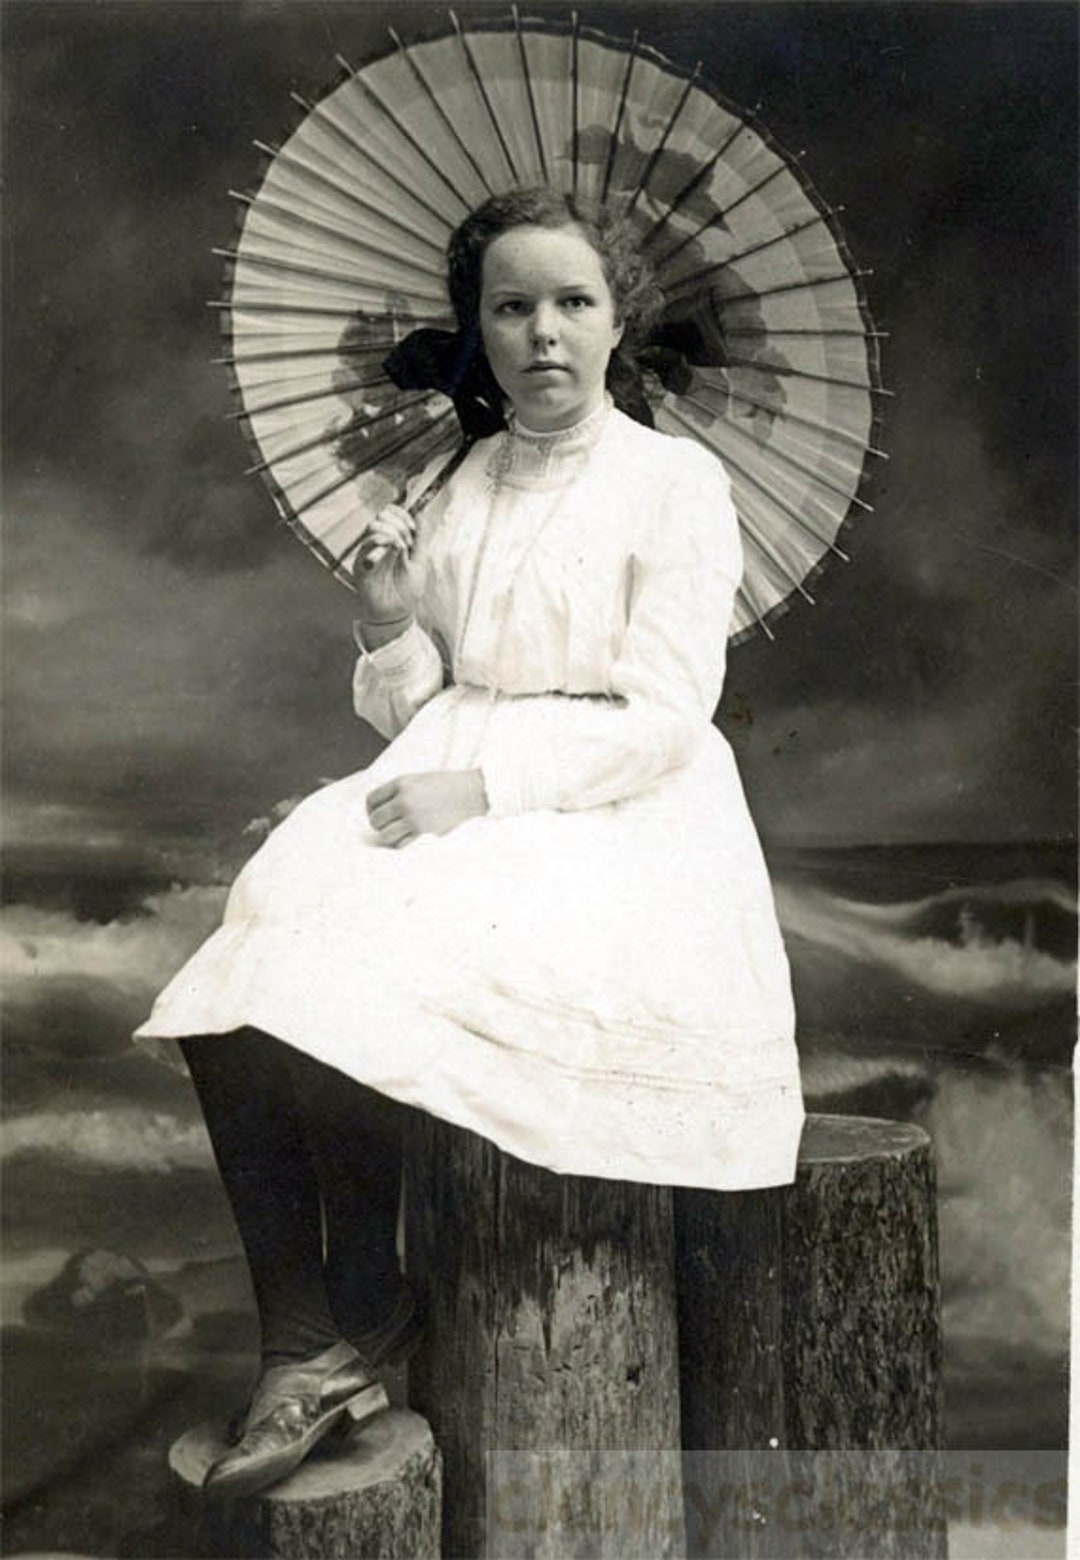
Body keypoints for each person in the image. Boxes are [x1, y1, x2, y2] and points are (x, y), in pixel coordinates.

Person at [136, 185, 804, 1499]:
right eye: (513, 307)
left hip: (613, 812)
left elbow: (667, 714)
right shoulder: (455, 480)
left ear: (620, 321)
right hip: (448, 766)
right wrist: (389, 622)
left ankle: (343, 1330)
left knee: (371, 959)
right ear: (479, 328)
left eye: (573, 303)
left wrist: (483, 784)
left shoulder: (674, 484)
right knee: (244, 965)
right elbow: (412, 702)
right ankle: (323, 1329)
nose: (543, 334)